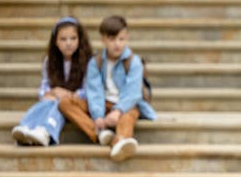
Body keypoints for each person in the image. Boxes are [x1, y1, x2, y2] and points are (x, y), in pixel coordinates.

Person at [59, 15, 156, 162]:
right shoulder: (96, 62)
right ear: (103, 39)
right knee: (65, 103)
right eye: (112, 39)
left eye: (121, 39)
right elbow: (94, 90)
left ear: (127, 38)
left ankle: (121, 141)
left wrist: (118, 111)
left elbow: (133, 93)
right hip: (103, 104)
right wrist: (97, 116)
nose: (117, 44)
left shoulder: (133, 62)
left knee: (127, 117)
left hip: (126, 106)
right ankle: (98, 133)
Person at [12, 17, 92, 146]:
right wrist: (48, 93)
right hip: (56, 101)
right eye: (63, 39)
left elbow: (89, 89)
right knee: (49, 102)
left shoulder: (88, 62)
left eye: (73, 38)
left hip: (77, 104)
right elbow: (45, 84)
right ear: (55, 42)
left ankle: (46, 131)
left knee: (59, 103)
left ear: (80, 40)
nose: (68, 43)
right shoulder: (50, 61)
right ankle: (25, 128)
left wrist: (69, 95)